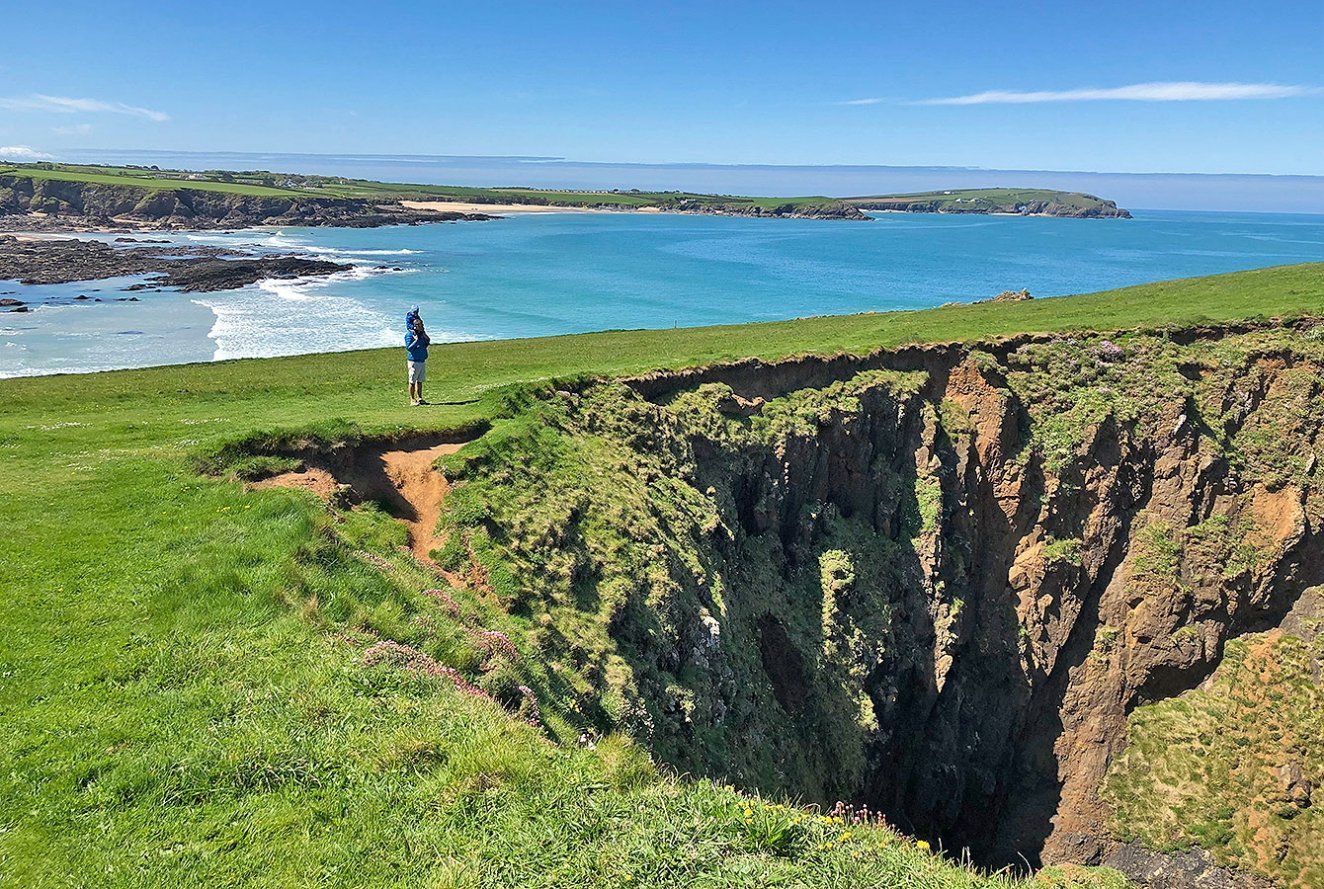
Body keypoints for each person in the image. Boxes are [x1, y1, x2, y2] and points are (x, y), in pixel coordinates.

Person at [406, 310, 430, 406]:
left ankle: (420, 398)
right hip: (414, 361)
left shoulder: (422, 335)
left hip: (422, 360)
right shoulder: (410, 335)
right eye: (419, 326)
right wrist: (416, 341)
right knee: (412, 381)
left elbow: (427, 343)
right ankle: (412, 399)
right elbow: (409, 348)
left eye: (421, 326)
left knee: (420, 381)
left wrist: (424, 336)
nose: (421, 327)